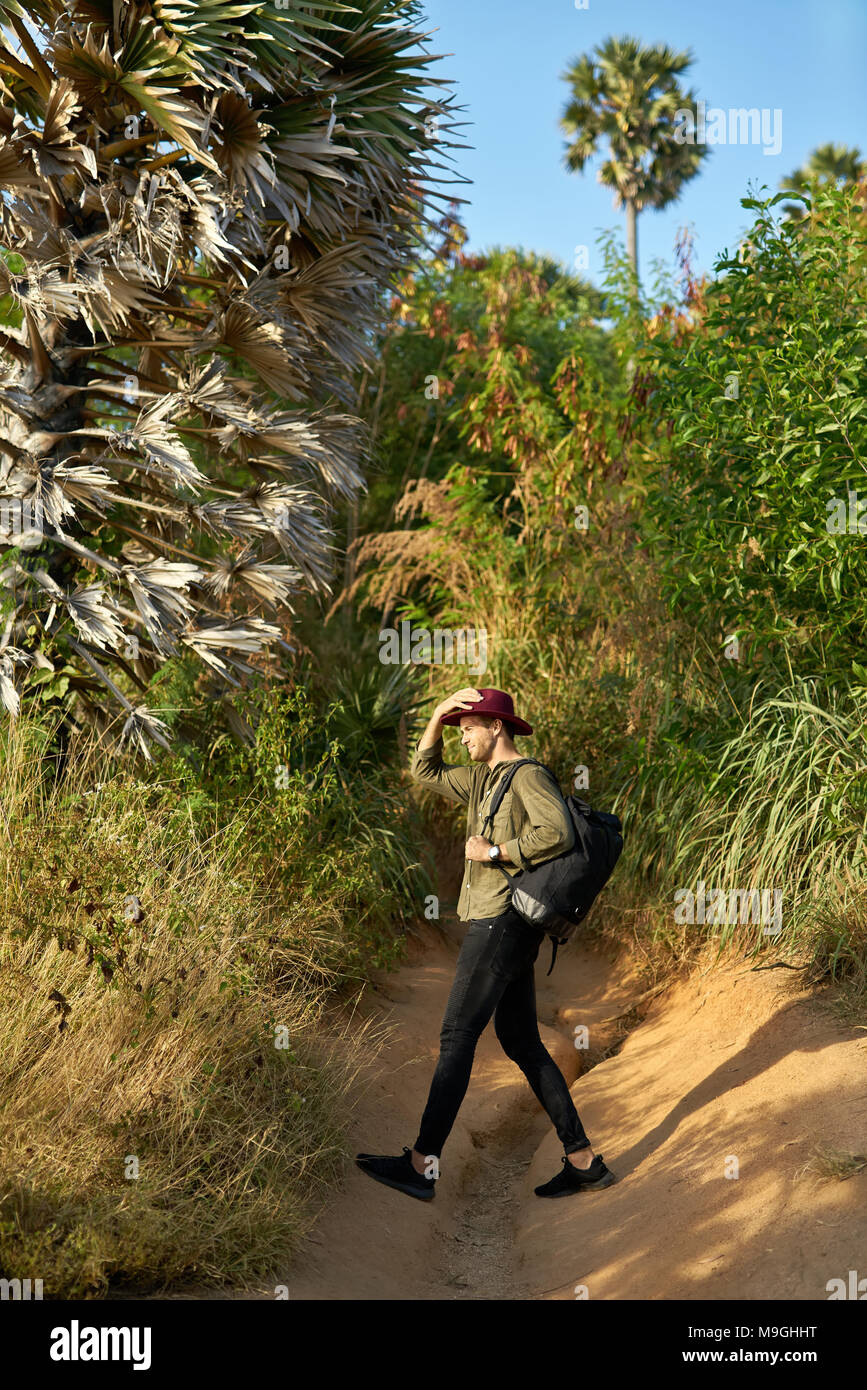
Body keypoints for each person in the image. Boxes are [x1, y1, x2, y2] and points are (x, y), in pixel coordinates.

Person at [356, 686, 616, 1201]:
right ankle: (583, 1161)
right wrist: (436, 713)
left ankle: (420, 1166)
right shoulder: (480, 779)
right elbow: (423, 771)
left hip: (502, 921)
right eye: (459, 729)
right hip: (500, 923)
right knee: (520, 1041)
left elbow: (558, 832)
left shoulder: (528, 774)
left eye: (469, 727)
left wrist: (496, 850)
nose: (462, 737)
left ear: (497, 727)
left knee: (456, 1036)